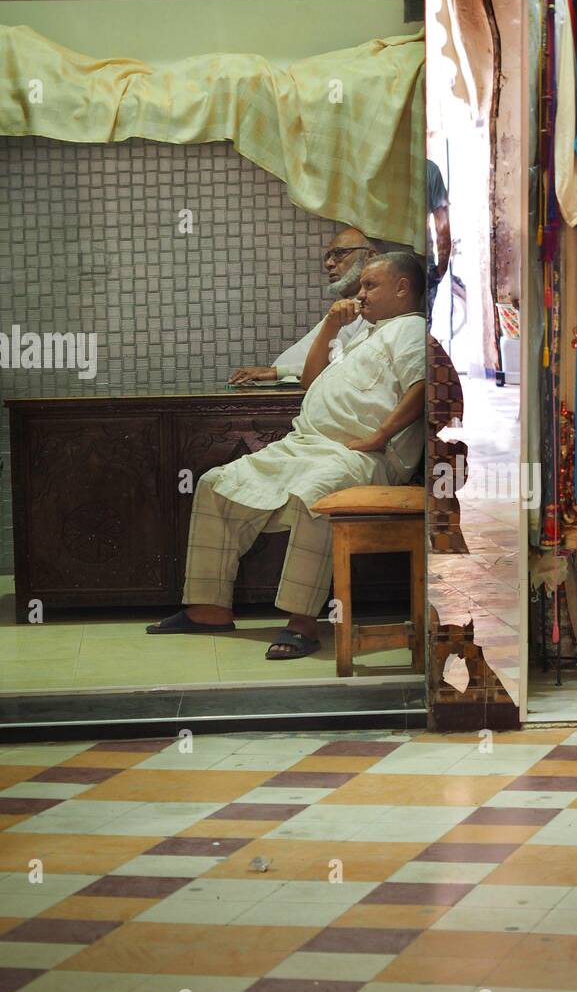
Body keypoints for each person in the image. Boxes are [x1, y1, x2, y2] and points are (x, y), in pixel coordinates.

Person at [149, 252, 427, 660]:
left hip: (364, 457)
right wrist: (332, 325)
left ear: (402, 288)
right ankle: (208, 608)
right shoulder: (366, 333)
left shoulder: (410, 329)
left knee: (311, 495)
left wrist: (379, 436)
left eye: (371, 285)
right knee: (216, 485)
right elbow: (311, 380)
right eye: (362, 286)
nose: (361, 294)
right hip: (305, 446)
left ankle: (302, 623)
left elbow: (421, 387)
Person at [228, 227, 375, 385]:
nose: (328, 263)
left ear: (370, 257)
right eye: (327, 256)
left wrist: (276, 372)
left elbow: (344, 363)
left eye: (339, 253)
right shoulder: (347, 307)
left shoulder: (376, 311)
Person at [427, 158, 451, 317]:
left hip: (382, 262)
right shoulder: (429, 169)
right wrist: (441, 268)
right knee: (418, 331)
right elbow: (442, 225)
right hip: (421, 265)